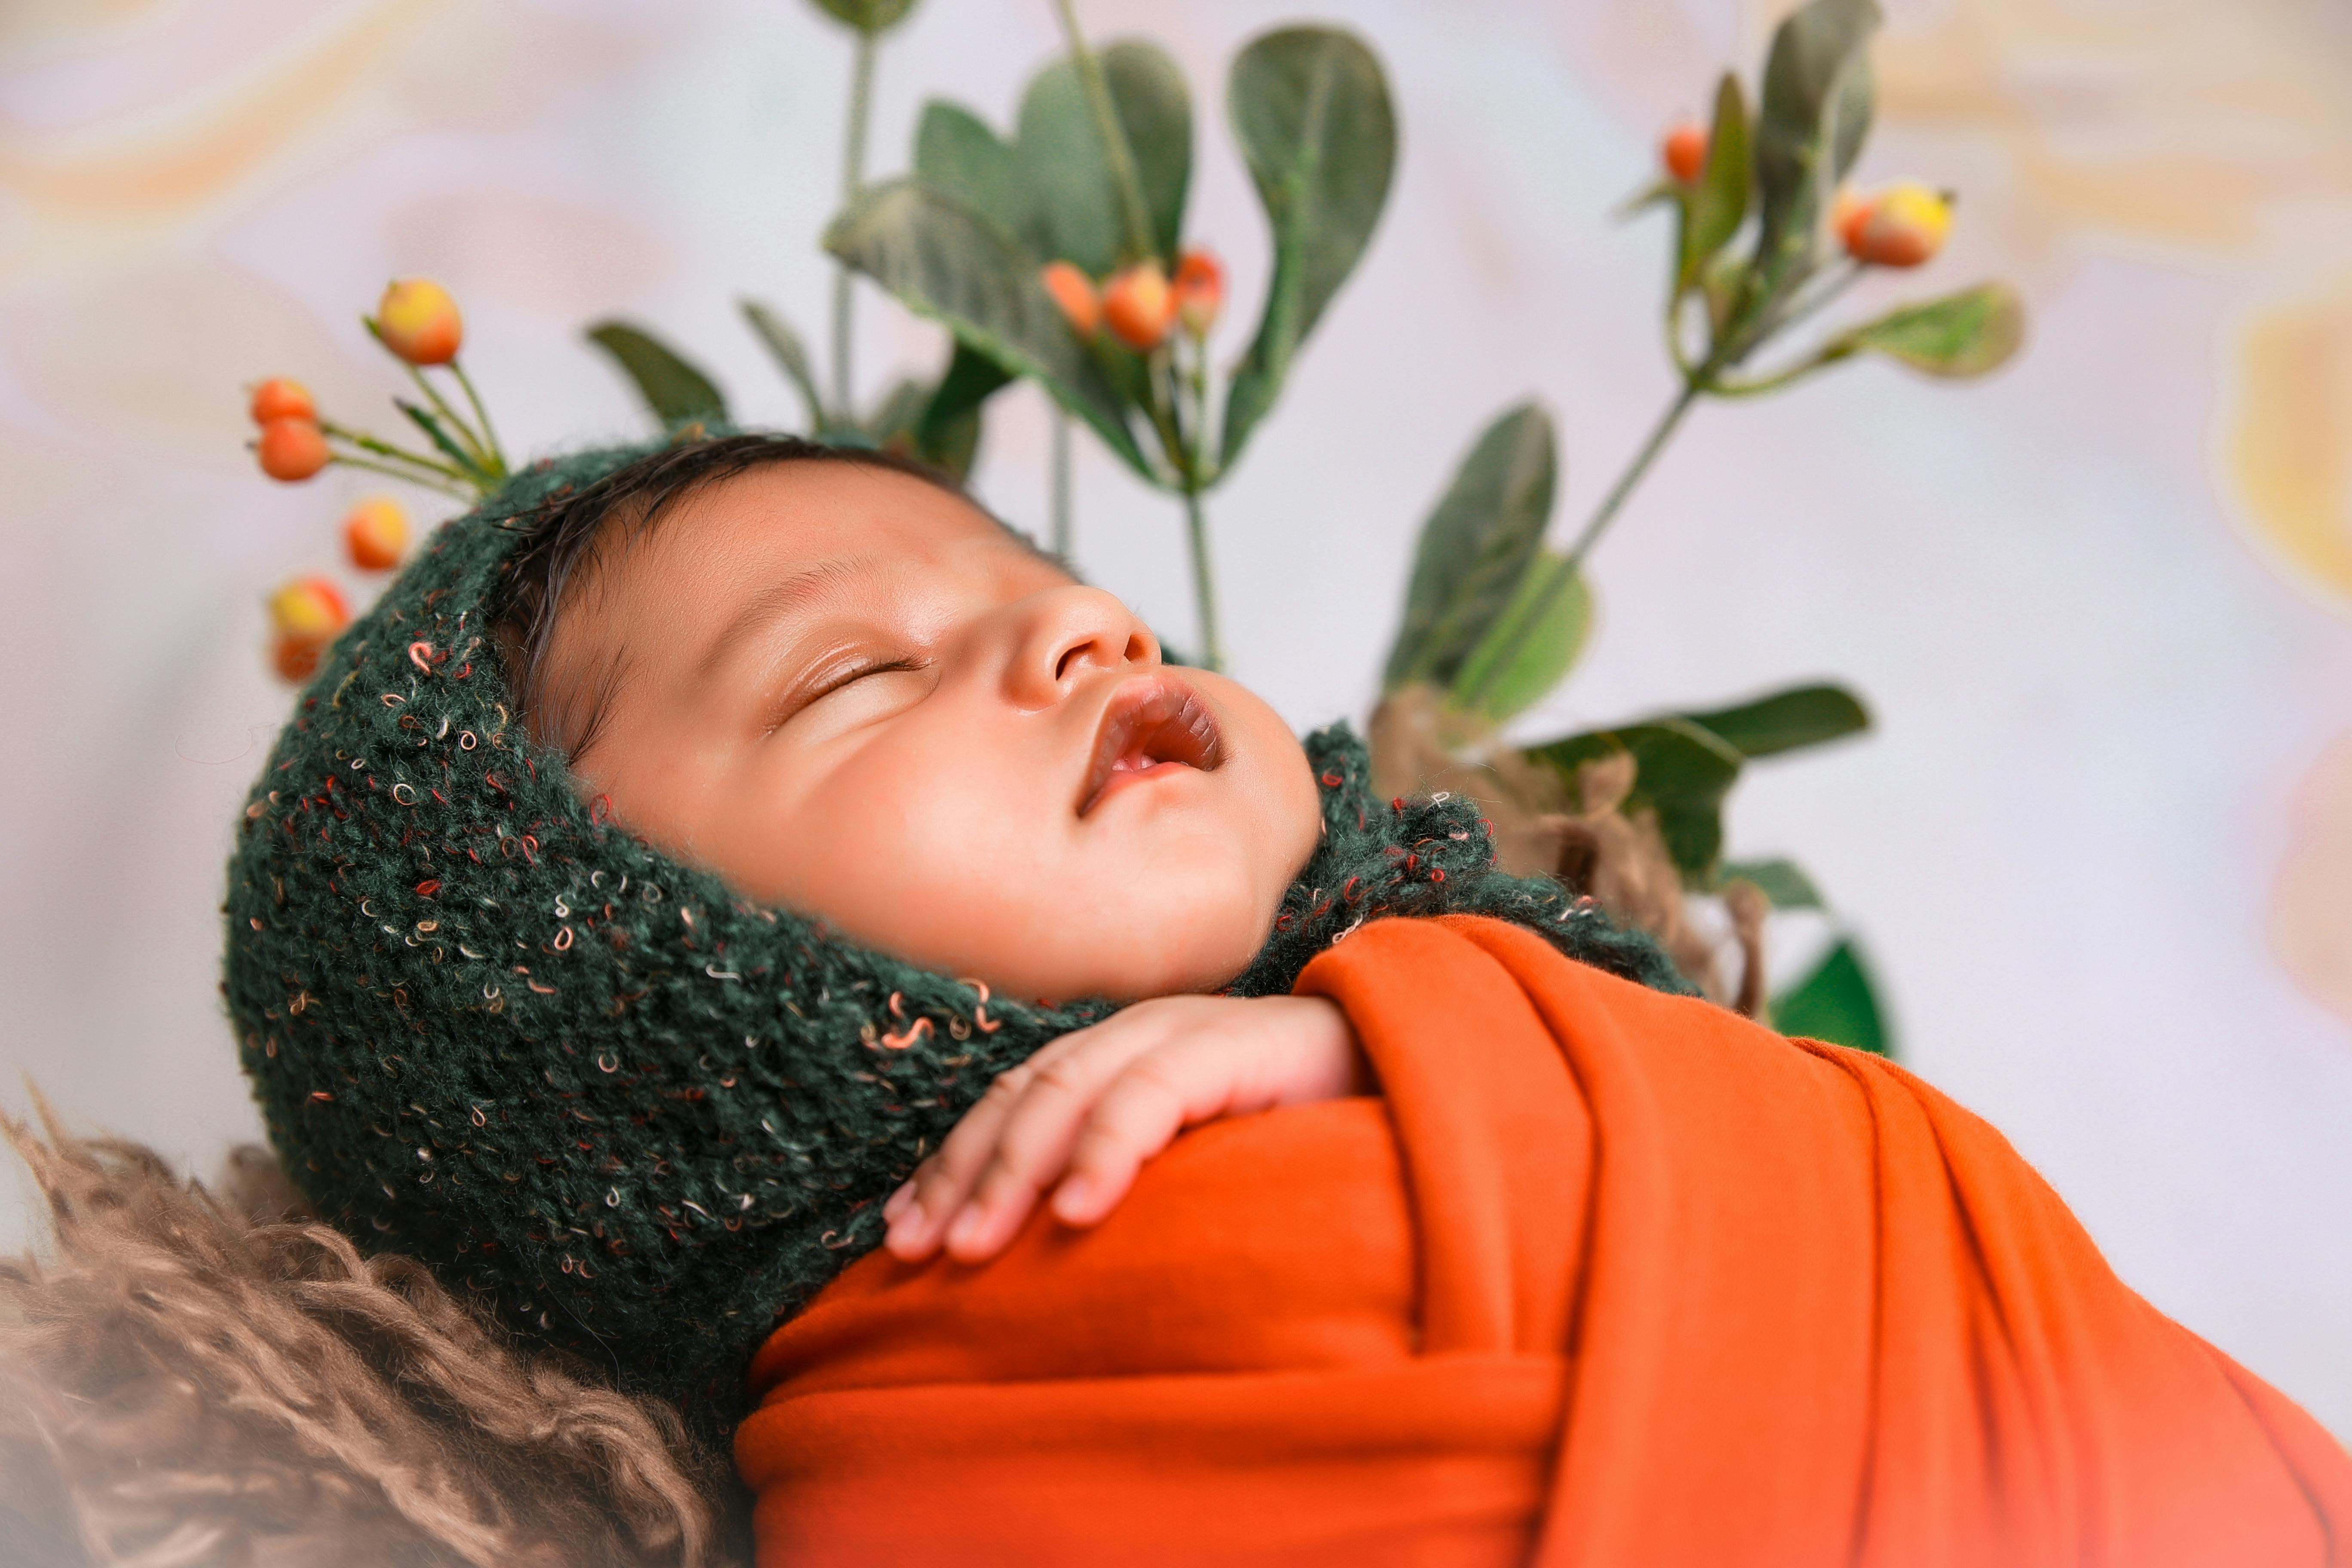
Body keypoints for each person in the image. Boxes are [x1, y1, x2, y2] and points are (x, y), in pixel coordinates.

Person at [226, 431, 2352, 1564]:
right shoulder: (906, 1429)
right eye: (857, 669)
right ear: (619, 1005)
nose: (1074, 623)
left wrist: (1418, 1037)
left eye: (1064, 590)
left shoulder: (1482, 997)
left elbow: (1917, 1252)